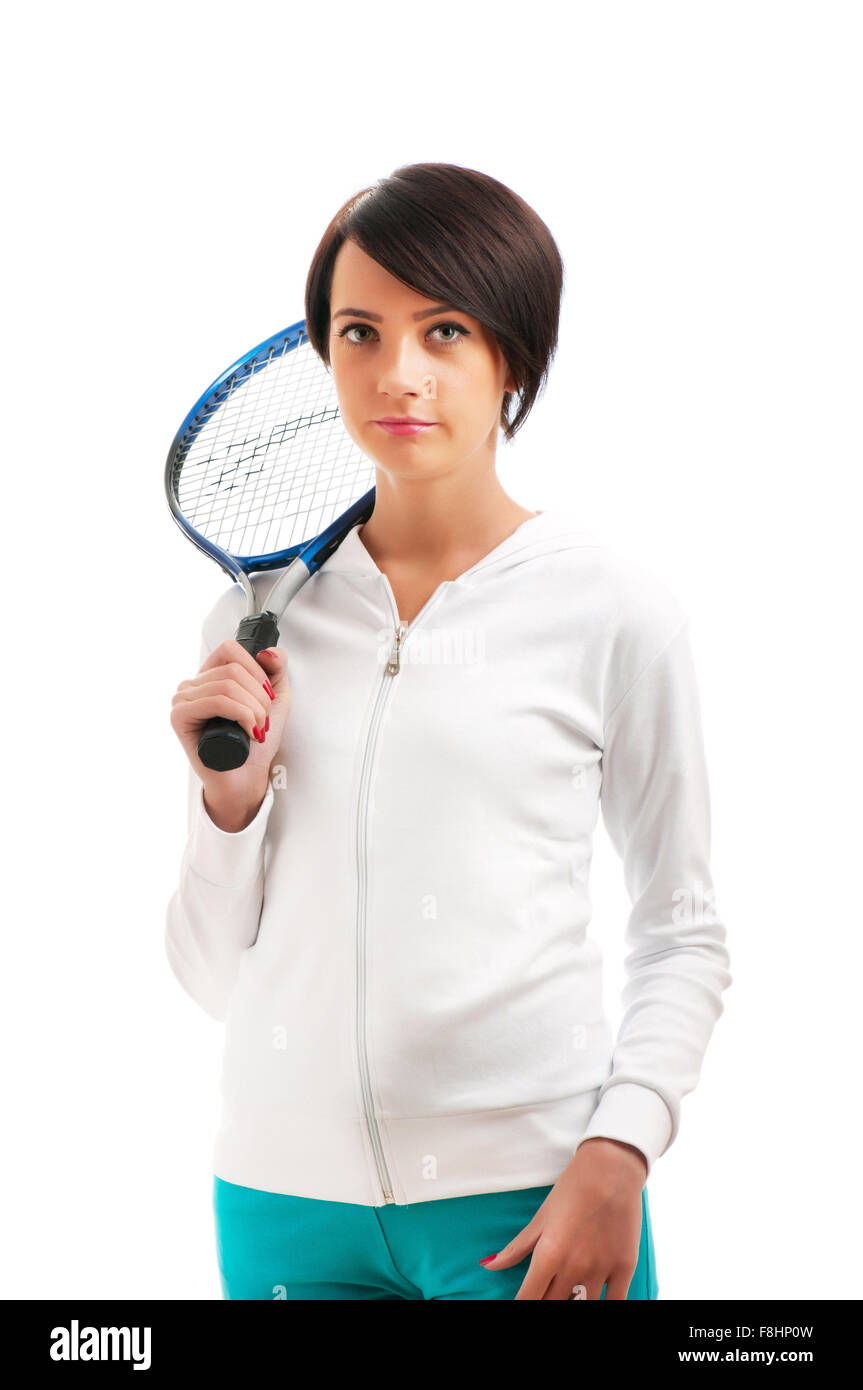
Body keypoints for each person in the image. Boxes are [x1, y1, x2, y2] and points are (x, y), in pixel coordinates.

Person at [166, 162, 732, 1301]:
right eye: (361, 332)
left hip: (528, 1205)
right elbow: (208, 977)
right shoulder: (256, 620)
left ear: (511, 355)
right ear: (324, 354)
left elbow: (680, 928)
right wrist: (228, 806)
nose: (399, 374)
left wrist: (618, 1149)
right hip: (280, 1205)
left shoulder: (608, 606)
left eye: (445, 331)